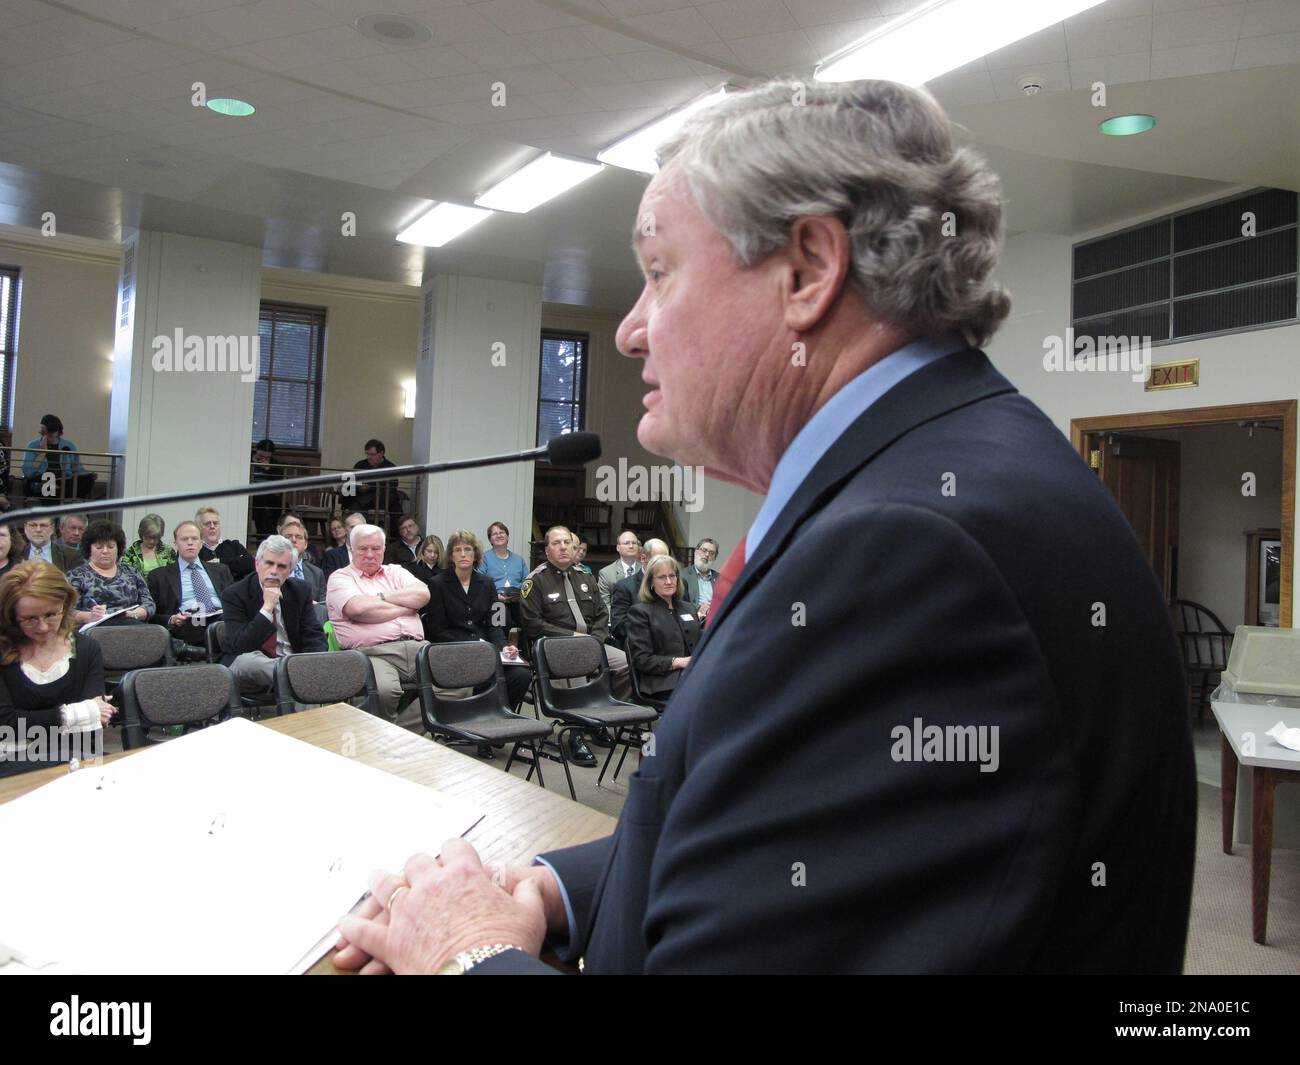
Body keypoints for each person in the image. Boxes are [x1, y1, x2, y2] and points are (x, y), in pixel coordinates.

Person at [334, 78, 1196, 976]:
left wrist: (467, 952)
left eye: (659, 273)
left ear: (808, 271)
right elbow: (784, 840)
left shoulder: (908, 557)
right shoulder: (930, 482)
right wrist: (557, 889)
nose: (630, 330)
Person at [518, 525, 632, 764]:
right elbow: (533, 625)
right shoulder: (535, 581)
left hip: (591, 643)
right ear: (547, 551)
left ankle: (595, 717)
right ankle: (575, 734)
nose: (563, 547)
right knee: (577, 670)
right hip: (555, 647)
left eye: (567, 543)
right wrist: (573, 638)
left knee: (626, 665)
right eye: (556, 543)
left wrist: (595, 641)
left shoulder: (585, 577)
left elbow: (601, 614)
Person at [0, 561, 113, 777]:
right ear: (12, 616)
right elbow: (5, 723)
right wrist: (75, 714)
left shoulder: (87, 649)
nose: (43, 627)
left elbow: (93, 725)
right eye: (30, 619)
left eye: (51, 614)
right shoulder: (3, 651)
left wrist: (87, 714)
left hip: (75, 760)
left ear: (65, 604)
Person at [326, 523, 429, 720]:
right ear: (351, 549)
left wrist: (381, 598)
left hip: (418, 648)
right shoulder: (340, 578)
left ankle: (403, 732)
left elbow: (423, 594)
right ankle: (396, 733)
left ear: (383, 549)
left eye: (376, 548)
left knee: (459, 677)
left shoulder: (395, 572)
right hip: (373, 654)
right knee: (384, 692)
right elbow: (358, 609)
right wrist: (405, 607)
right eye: (363, 549)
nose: (370, 555)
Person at [425, 529, 530, 715]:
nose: (463, 554)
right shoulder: (437, 583)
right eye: (458, 550)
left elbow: (495, 624)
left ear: (475, 555)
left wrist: (504, 647)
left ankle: (500, 717)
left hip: (486, 650)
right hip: (454, 649)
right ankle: (478, 717)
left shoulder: (488, 583)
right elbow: (436, 631)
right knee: (483, 674)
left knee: (521, 675)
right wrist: (474, 645)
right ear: (451, 556)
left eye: (468, 549)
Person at [219, 535, 327, 695]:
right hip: (250, 667)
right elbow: (241, 646)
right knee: (249, 661)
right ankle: (298, 675)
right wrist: (267, 608)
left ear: (290, 571)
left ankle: (298, 678)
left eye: (282, 566)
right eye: (269, 563)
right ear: (257, 564)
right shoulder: (235, 594)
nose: (274, 571)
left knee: (312, 667)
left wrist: (312, 660)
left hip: (291, 660)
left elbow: (314, 637)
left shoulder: (300, 590)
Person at [148, 521, 233, 660]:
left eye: (194, 539)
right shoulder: (158, 576)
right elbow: (151, 615)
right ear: (175, 544)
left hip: (221, 619)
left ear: (201, 543)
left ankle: (211, 654)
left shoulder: (221, 570)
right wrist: (172, 619)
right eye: (184, 539)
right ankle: (213, 654)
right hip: (188, 622)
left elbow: (235, 602)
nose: (190, 543)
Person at [622, 556, 699, 704]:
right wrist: (678, 662)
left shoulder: (688, 608)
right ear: (651, 582)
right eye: (662, 577)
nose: (669, 582)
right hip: (662, 682)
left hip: (693, 675)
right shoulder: (640, 612)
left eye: (672, 576)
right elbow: (642, 660)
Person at [67, 521, 154, 627]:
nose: (105, 551)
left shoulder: (131, 572)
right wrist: (90, 616)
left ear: (118, 549)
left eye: (111, 546)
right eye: (99, 547)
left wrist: (133, 614)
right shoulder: (76, 576)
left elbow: (149, 604)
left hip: (132, 625)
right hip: (96, 629)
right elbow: (67, 612)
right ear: (89, 549)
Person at [609, 538, 689, 645]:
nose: (664, 563)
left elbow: (685, 613)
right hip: (642, 645)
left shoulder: (679, 583)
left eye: (666, 558)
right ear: (643, 559)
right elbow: (618, 627)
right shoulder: (625, 587)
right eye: (658, 559)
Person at [21, 414, 96, 501]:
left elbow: (77, 468)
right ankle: (62, 494)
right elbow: (28, 472)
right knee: (47, 483)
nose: (47, 436)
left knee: (88, 481)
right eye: (44, 433)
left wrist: (87, 475)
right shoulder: (33, 445)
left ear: (58, 432)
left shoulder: (69, 445)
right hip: (43, 479)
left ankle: (59, 490)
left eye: (50, 433)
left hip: (64, 480)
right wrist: (42, 453)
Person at [196, 506, 255, 579]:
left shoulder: (233, 546)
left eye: (215, 523)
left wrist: (220, 561)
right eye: (207, 524)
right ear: (199, 527)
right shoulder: (196, 551)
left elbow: (251, 564)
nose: (212, 527)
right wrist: (235, 563)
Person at [351, 439, 400, 523]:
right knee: (353, 504)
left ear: (381, 453)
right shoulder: (360, 465)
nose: (369, 457)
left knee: (396, 509)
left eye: (372, 454)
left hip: (383, 500)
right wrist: (359, 487)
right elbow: (352, 482)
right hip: (361, 499)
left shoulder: (390, 467)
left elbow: (393, 484)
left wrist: (370, 487)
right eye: (367, 454)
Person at [278, 516, 325, 602]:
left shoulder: (317, 574)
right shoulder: (272, 570)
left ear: (306, 544)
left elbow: (323, 605)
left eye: (298, 537)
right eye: (288, 537)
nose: (293, 540)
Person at [597, 530, 641, 613]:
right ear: (618, 548)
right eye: (627, 543)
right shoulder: (606, 573)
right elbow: (605, 606)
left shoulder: (646, 569)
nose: (631, 546)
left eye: (634, 543)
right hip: (616, 618)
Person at [120, 513, 175, 578]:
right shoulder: (131, 553)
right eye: (148, 537)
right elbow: (125, 576)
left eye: (155, 537)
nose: (152, 541)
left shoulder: (168, 551)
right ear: (142, 534)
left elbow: (174, 575)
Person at [680, 538, 719, 621]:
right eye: (704, 550)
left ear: (714, 558)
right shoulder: (683, 575)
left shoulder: (719, 578)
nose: (707, 555)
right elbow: (680, 602)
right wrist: (699, 608)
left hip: (716, 618)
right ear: (695, 552)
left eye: (711, 553)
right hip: (694, 619)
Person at [250, 438, 283, 536]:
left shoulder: (274, 464)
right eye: (261, 456)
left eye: (267, 457)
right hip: (251, 493)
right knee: (260, 503)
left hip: (268, 493)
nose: (263, 459)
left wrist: (269, 470)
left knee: (280, 504)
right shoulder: (247, 458)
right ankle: (261, 535)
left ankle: (273, 534)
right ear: (256, 451)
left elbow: (278, 485)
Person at [322, 511, 367, 578]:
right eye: (352, 527)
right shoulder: (332, 555)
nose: (356, 530)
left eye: (359, 527)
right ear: (345, 530)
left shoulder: (373, 554)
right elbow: (329, 580)